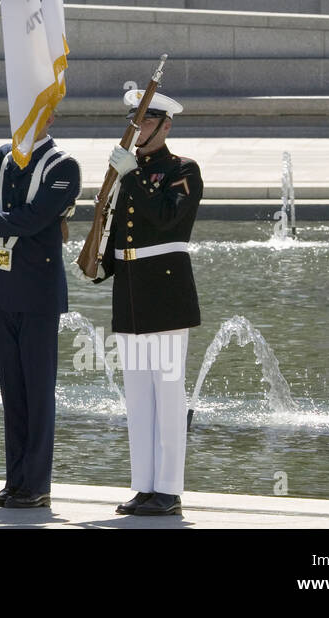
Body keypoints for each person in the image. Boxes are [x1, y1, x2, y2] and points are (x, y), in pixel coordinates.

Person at [0, 88, 80, 509]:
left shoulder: (63, 166)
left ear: (50, 120)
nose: (25, 121)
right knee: (13, 389)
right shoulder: (9, 157)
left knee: (37, 390)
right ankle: (15, 480)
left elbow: (33, 219)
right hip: (3, 287)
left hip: (38, 291)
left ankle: (37, 484)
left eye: (35, 114)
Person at [76, 89, 202, 516]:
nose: (138, 128)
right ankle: (144, 486)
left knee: (168, 393)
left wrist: (129, 176)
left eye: (147, 121)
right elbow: (119, 232)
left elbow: (166, 218)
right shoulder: (127, 172)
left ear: (166, 126)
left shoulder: (183, 170)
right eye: (135, 120)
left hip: (165, 294)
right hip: (129, 291)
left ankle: (168, 489)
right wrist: (99, 264)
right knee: (138, 397)